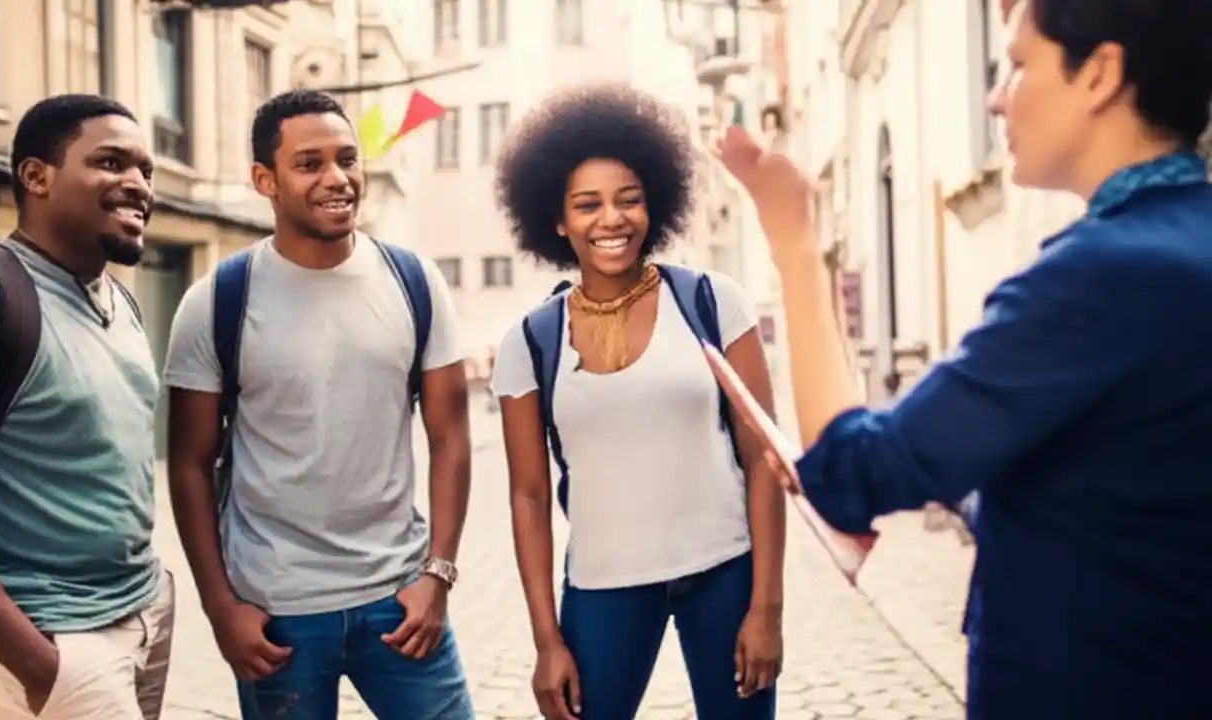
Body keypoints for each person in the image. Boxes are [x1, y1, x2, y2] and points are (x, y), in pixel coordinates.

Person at [715, 1, 1212, 718]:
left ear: (1100, 73)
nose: (995, 95)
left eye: (1016, 64)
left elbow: (852, 473)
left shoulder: (1098, 276)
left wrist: (794, 240)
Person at [163, 89, 473, 719]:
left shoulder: (414, 281)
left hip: (399, 598)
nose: (337, 178)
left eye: (347, 159)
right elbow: (188, 466)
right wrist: (221, 608)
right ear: (264, 179)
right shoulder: (217, 298)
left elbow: (451, 437)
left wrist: (437, 575)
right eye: (309, 163)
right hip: (277, 614)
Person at [491, 83, 787, 720]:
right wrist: (547, 641)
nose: (611, 220)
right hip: (604, 585)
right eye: (587, 205)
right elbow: (529, 495)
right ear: (557, 219)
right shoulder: (528, 343)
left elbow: (763, 456)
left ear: (654, 203)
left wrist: (766, 607)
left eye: (629, 200)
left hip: (725, 572)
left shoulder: (714, 302)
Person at [0, 94, 174, 719]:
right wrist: (38, 664)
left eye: (145, 171)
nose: (137, 184)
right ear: (36, 176)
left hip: (138, 613)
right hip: (42, 640)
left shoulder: (121, 303)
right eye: (111, 162)